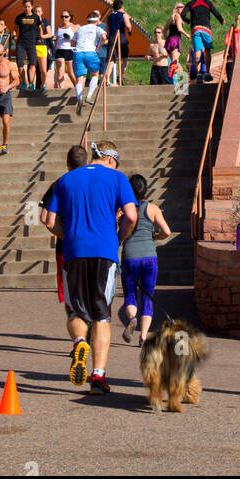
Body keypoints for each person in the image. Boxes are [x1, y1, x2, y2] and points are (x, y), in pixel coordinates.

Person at [42, 138, 137, 395]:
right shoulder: (117, 179)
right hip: (105, 253)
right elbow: (131, 216)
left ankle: (79, 341)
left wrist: (69, 236)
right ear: (110, 158)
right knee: (102, 315)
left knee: (75, 312)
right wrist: (119, 237)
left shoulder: (66, 180)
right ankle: (98, 377)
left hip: (73, 253)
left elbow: (49, 221)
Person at [119, 174, 171, 345]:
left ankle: (132, 319)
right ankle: (143, 337)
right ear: (145, 189)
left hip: (130, 256)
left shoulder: (122, 210)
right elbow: (167, 232)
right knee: (148, 296)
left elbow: (114, 230)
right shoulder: (153, 209)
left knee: (130, 295)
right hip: (149, 256)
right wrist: (155, 236)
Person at [39, 145, 88, 307]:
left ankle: (76, 321)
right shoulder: (94, 183)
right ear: (87, 162)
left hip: (66, 244)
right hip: (93, 242)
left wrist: (66, 236)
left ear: (67, 163)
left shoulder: (59, 183)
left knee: (69, 291)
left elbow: (46, 218)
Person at [182, 0, 224, 81]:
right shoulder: (207, 2)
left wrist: (188, 21)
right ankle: (207, 72)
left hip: (196, 29)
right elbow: (216, 13)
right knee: (207, 51)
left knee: (197, 51)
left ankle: (199, 75)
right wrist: (221, 20)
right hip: (206, 29)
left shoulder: (190, 3)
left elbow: (182, 14)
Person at [72, 11, 108, 114]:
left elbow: (72, 43)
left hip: (78, 53)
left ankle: (79, 97)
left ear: (87, 20)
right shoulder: (98, 28)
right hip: (90, 53)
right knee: (95, 74)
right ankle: (88, 96)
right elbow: (104, 38)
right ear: (97, 21)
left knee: (80, 79)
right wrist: (98, 47)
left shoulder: (80, 29)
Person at [13, 0, 42, 94]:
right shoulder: (19, 17)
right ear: (23, 7)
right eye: (25, 6)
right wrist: (14, 35)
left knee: (33, 64)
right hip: (21, 43)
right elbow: (15, 29)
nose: (27, 8)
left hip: (31, 43)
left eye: (29, 6)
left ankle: (31, 84)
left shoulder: (36, 17)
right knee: (20, 64)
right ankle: (24, 83)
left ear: (32, 7)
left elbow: (40, 28)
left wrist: (39, 37)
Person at [104, 0, 132, 86]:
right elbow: (128, 25)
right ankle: (120, 75)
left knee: (111, 60)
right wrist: (130, 31)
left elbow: (107, 30)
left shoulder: (109, 16)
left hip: (112, 38)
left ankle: (107, 79)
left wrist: (108, 37)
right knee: (125, 58)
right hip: (121, 37)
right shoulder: (124, 14)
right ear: (122, 6)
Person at [53, 12, 78, 91]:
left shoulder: (74, 27)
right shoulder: (59, 27)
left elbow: (79, 39)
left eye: (66, 16)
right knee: (60, 72)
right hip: (59, 50)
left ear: (70, 17)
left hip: (70, 51)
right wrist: (54, 38)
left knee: (71, 73)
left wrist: (70, 37)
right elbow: (56, 38)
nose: (64, 18)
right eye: (62, 16)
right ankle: (61, 91)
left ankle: (78, 89)